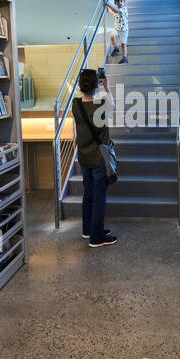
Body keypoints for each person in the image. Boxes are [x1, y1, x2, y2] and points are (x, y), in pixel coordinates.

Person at [72, 68, 117, 247]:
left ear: (80, 85)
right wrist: (106, 88)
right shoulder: (102, 106)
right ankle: (97, 238)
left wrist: (98, 88)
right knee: (99, 197)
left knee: (88, 194)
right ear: (97, 83)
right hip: (98, 158)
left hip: (83, 156)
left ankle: (88, 229)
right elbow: (112, 106)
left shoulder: (76, 105)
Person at [104, 0, 128, 64]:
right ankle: (116, 48)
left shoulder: (124, 9)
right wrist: (108, 9)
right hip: (117, 28)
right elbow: (113, 13)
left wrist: (108, 4)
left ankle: (124, 58)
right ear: (116, 3)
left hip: (124, 30)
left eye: (121, 1)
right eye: (117, 2)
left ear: (123, 1)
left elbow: (116, 11)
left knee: (123, 44)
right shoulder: (118, 10)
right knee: (112, 35)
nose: (120, 3)